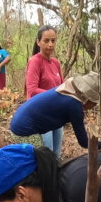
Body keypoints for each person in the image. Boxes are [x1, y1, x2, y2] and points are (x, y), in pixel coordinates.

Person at [9, 73, 99, 150]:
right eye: (94, 103)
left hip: (21, 118)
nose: (93, 106)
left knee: (53, 159)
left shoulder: (68, 89)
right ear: (89, 98)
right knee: (41, 162)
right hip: (23, 129)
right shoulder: (74, 105)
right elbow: (83, 142)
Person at [25, 25, 65, 154]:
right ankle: (46, 174)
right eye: (46, 40)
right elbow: (31, 90)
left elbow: (62, 87)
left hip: (56, 113)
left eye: (53, 40)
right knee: (47, 152)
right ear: (38, 42)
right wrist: (55, 94)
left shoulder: (56, 63)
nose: (50, 44)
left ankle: (56, 174)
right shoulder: (35, 61)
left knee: (57, 154)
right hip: (41, 113)